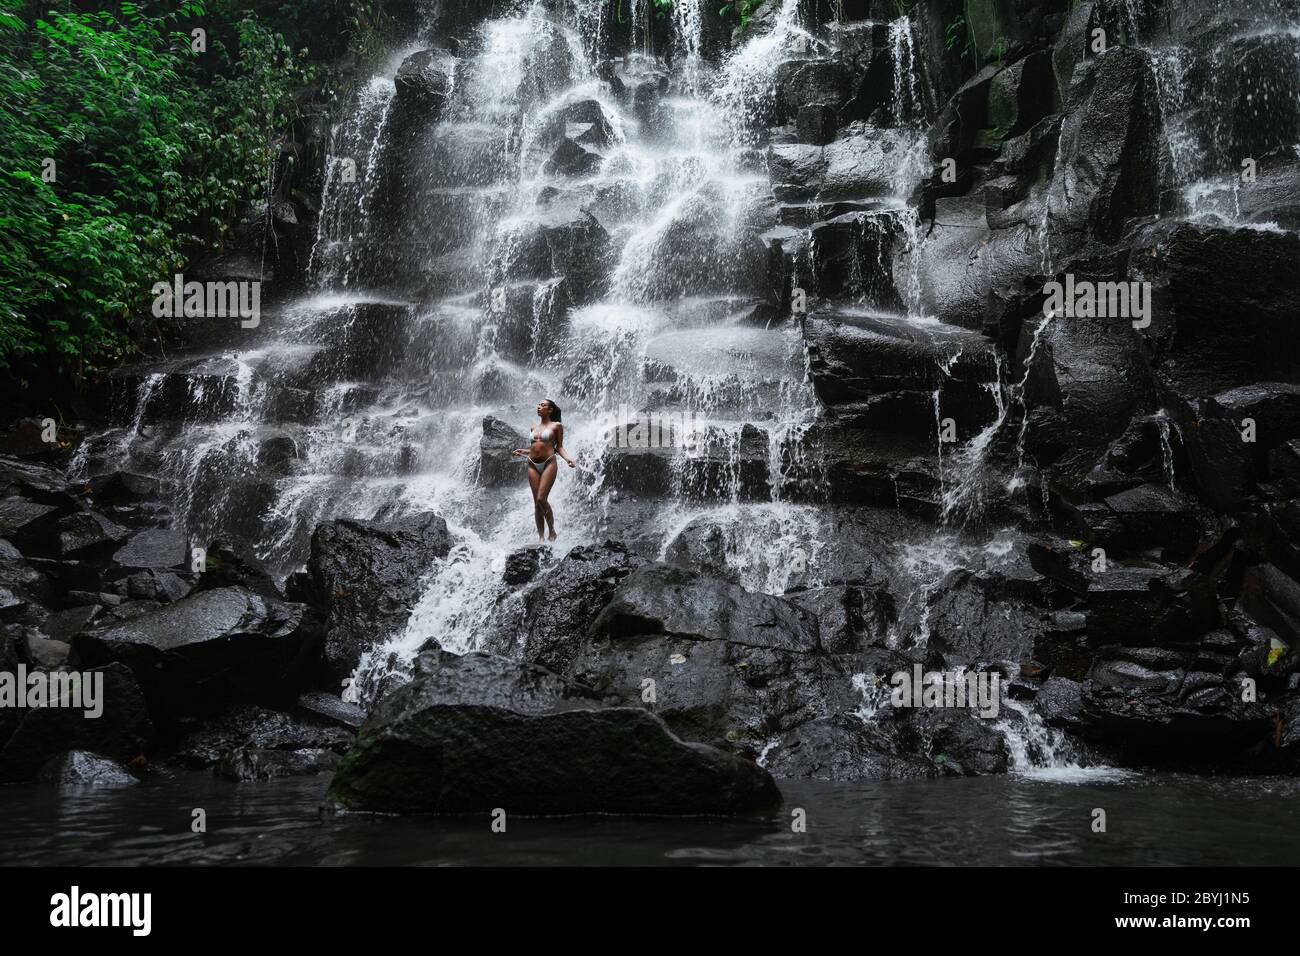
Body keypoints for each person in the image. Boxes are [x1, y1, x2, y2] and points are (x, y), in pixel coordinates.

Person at [512, 399, 574, 541]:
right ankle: (541, 537)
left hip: (548, 463)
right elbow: (536, 447)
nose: (539, 407)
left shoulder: (557, 426)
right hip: (532, 463)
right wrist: (524, 451)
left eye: (543, 405)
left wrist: (568, 459)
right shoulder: (534, 427)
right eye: (538, 405)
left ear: (550, 410)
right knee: (536, 502)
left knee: (541, 498)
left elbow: (559, 447)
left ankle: (551, 530)